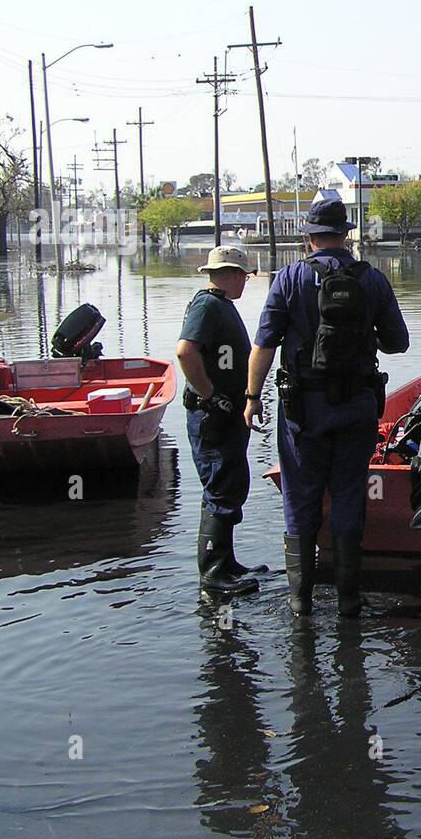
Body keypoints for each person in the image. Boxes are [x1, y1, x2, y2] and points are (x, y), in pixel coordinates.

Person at [244, 198, 409, 618]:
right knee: (350, 494)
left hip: (304, 410)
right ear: (346, 234)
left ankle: (300, 604)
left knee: (301, 498)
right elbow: (398, 343)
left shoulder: (289, 278)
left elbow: (264, 344)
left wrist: (251, 397)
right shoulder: (372, 279)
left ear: (309, 238)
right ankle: (349, 602)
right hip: (356, 407)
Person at [177, 244, 266, 597]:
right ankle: (214, 574)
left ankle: (227, 563)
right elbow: (186, 351)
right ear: (231, 275)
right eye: (243, 277)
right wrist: (209, 394)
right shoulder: (207, 306)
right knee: (219, 488)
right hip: (213, 417)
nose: (245, 283)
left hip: (226, 414)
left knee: (228, 484)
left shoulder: (218, 305)